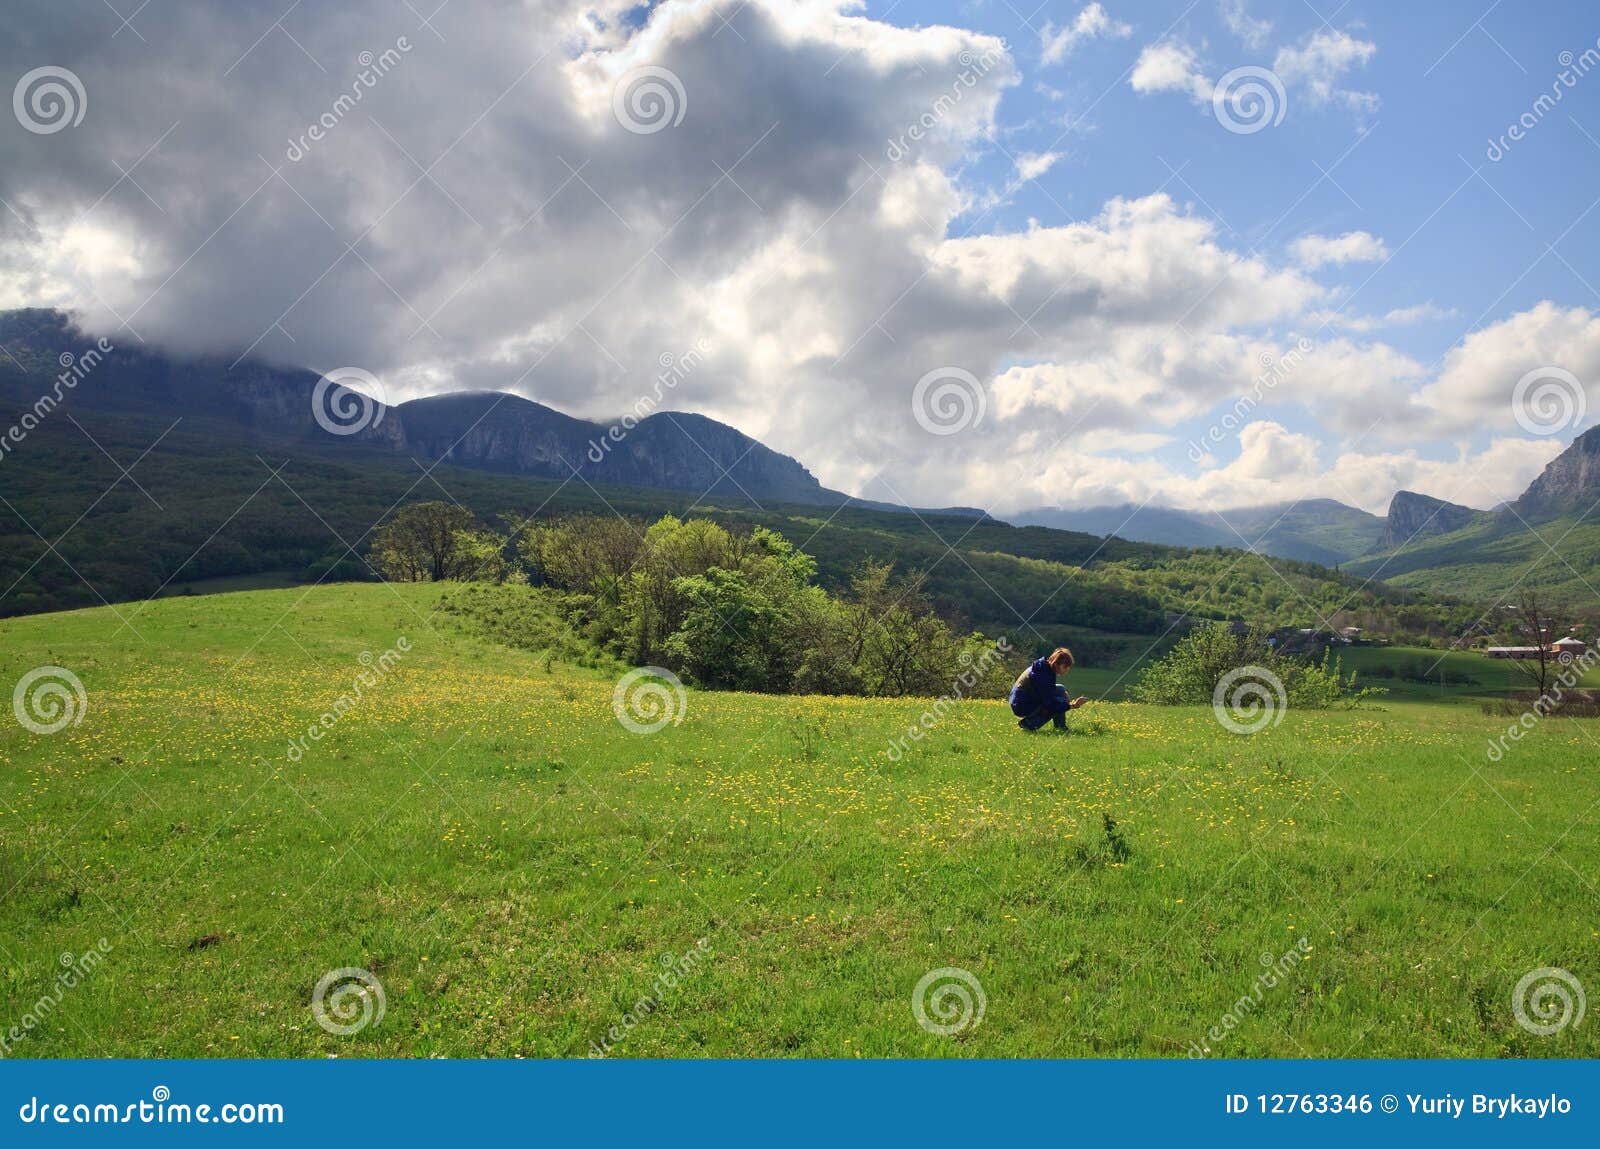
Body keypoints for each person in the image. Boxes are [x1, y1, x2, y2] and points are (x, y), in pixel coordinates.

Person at [1009, 646, 1088, 731]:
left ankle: (1060, 727)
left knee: (1061, 690)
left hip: (1024, 698)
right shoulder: (1043, 675)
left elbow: (1049, 693)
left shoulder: (1045, 667)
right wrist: (1072, 705)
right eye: (1065, 667)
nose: (1067, 670)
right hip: (1021, 705)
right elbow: (1050, 703)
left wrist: (1063, 699)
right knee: (1055, 704)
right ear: (1056, 663)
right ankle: (1029, 724)